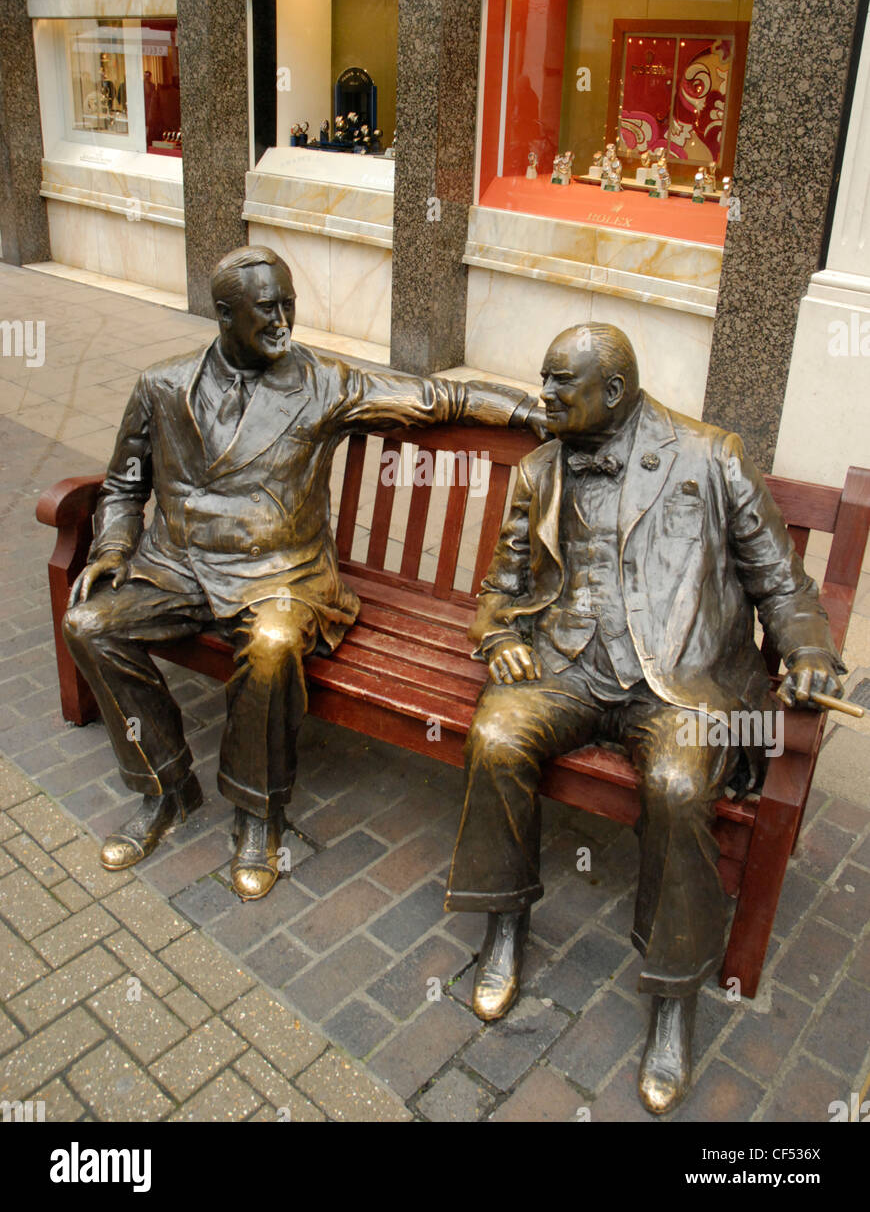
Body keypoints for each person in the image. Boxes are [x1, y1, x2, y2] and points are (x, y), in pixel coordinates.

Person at [444, 323, 844, 1112]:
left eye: (562, 384)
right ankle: (504, 925)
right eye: (546, 379)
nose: (545, 396)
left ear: (616, 394)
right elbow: (502, 581)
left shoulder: (713, 455)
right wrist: (497, 637)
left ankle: (672, 996)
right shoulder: (539, 470)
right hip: (567, 666)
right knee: (493, 734)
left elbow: (784, 583)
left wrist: (807, 654)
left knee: (675, 782)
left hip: (680, 684)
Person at [64, 246, 538, 902]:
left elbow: (437, 398)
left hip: (281, 577)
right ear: (224, 314)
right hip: (176, 569)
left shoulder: (324, 382)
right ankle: (164, 786)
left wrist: (537, 414)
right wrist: (113, 550)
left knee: (274, 643)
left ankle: (258, 812)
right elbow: (123, 485)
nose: (285, 318)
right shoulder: (162, 384)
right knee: (89, 623)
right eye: (267, 309)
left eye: (290, 303)